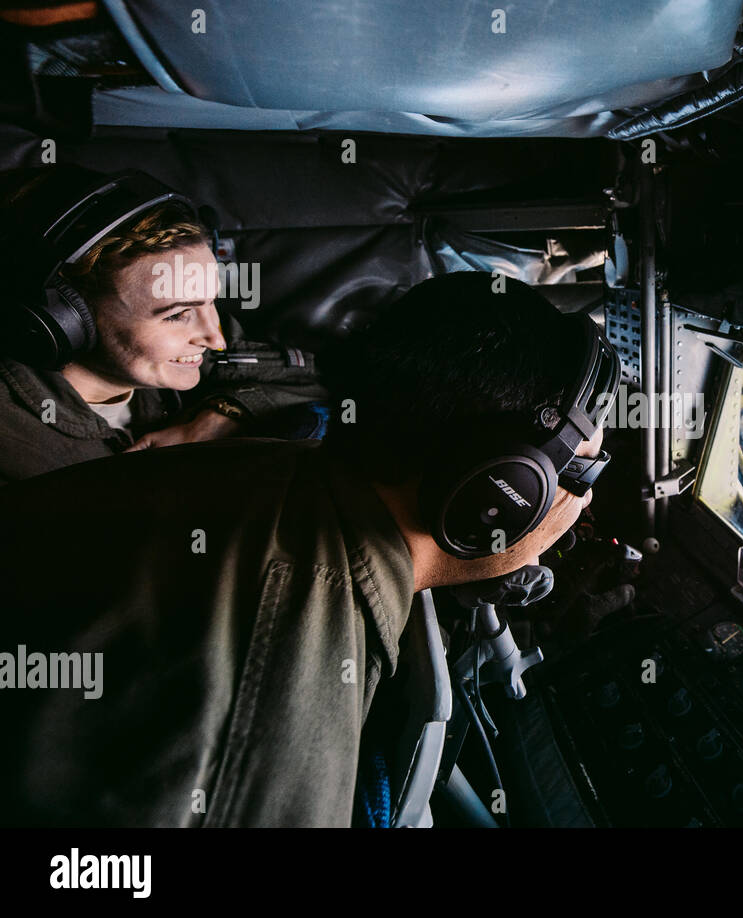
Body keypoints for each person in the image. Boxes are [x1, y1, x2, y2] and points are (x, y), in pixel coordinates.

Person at [0, 270, 617, 827]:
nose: (580, 506)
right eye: (581, 478)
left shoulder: (276, 468)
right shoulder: (280, 710)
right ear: (502, 490)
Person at [0, 165, 326, 484]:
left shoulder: (195, 344)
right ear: (62, 320)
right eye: (176, 315)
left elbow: (316, 376)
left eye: (211, 300)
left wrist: (224, 415)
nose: (214, 337)